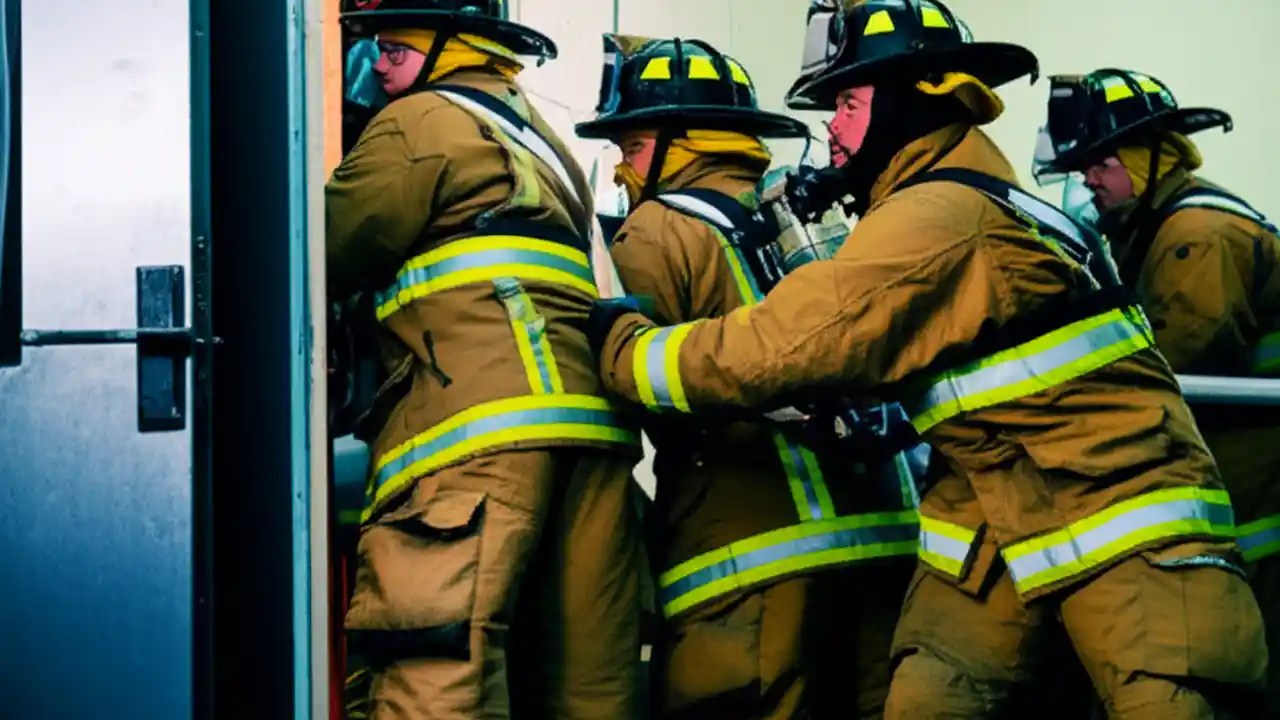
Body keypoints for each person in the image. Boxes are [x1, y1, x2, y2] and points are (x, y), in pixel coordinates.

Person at [586, 1, 1269, 717]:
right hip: (994, 512)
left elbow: (782, 344)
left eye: (848, 103)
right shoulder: (973, 200)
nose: (834, 128)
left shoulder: (941, 215)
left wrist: (626, 348)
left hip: (1121, 520)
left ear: (915, 101)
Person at [574, 33, 922, 719]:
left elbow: (638, 391)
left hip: (751, 563)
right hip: (890, 541)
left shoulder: (655, 231)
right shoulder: (818, 213)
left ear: (684, 141)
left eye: (633, 148)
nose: (621, 171)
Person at [326, 1, 647, 717]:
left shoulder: (420, 120)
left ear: (449, 50)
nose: (376, 66)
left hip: (477, 440)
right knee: (586, 685)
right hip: (590, 441)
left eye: (394, 49)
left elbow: (318, 248)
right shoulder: (542, 136)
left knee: (437, 672)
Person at [1035, 67, 1280, 716]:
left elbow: (1172, 363)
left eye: (1101, 163)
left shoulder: (1195, 235)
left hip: (1251, 471)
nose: (1089, 179)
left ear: (1148, 158)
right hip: (1231, 463)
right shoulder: (1156, 222)